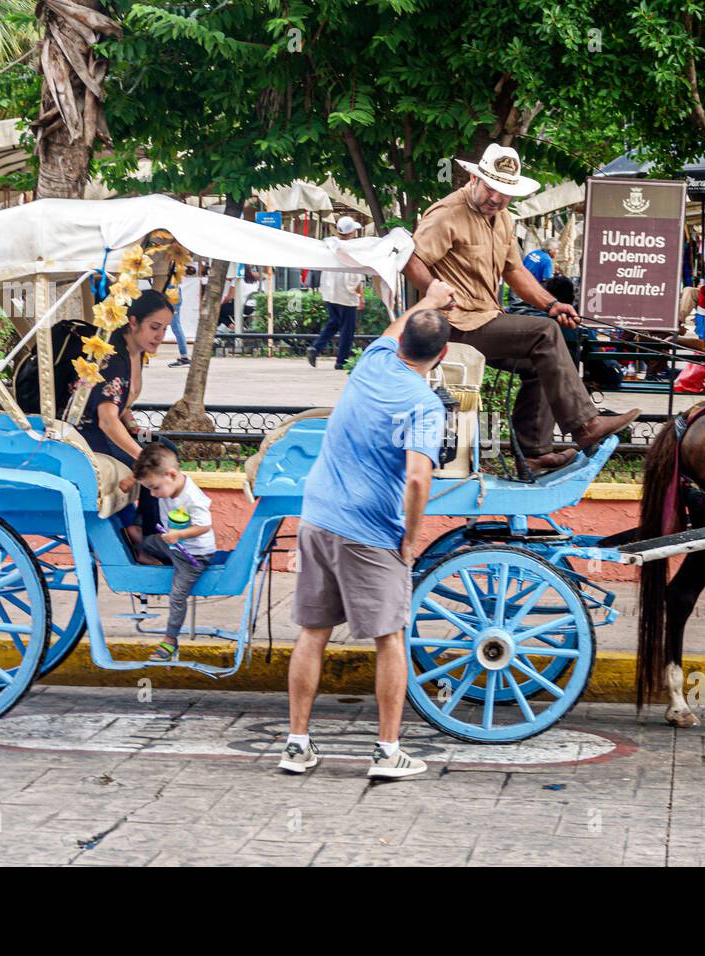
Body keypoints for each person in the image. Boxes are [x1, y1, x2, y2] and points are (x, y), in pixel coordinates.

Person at [280, 278, 458, 781]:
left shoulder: (372, 363)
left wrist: (428, 299)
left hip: (317, 516)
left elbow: (395, 327)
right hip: (369, 529)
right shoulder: (423, 403)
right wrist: (410, 536)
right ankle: (386, 750)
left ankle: (296, 744)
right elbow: (420, 475)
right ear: (442, 354)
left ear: (399, 343)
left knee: (312, 632)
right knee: (389, 638)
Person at [403, 143, 638, 473]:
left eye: (505, 192)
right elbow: (412, 260)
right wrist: (433, 291)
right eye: (491, 188)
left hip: (485, 320)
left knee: (540, 358)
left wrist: (553, 303)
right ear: (474, 178)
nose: (497, 198)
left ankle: (534, 452)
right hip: (454, 323)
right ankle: (585, 426)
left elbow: (514, 271)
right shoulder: (446, 214)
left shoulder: (503, 220)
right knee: (544, 333)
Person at [74, 288, 173, 544]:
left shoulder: (136, 353)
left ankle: (142, 524)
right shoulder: (114, 358)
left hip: (112, 428)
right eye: (154, 327)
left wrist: (133, 427)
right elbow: (107, 420)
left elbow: (121, 405)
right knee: (156, 459)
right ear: (133, 321)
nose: (160, 336)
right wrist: (141, 455)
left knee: (164, 446)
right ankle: (146, 536)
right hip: (90, 435)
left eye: (164, 329)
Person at [128, 444, 216, 662]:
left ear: (172, 475)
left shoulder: (192, 498)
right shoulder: (167, 483)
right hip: (173, 545)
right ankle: (147, 552)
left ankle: (170, 641)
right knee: (144, 542)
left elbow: (205, 526)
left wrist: (180, 535)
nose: (152, 493)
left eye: (154, 487)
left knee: (177, 596)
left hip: (193, 556)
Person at [307, 216, 366, 369]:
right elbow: (356, 276)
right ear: (352, 232)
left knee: (334, 322)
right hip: (346, 293)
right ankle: (341, 361)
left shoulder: (329, 244)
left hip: (329, 291)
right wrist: (360, 296)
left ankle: (316, 347)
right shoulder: (353, 248)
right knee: (347, 329)